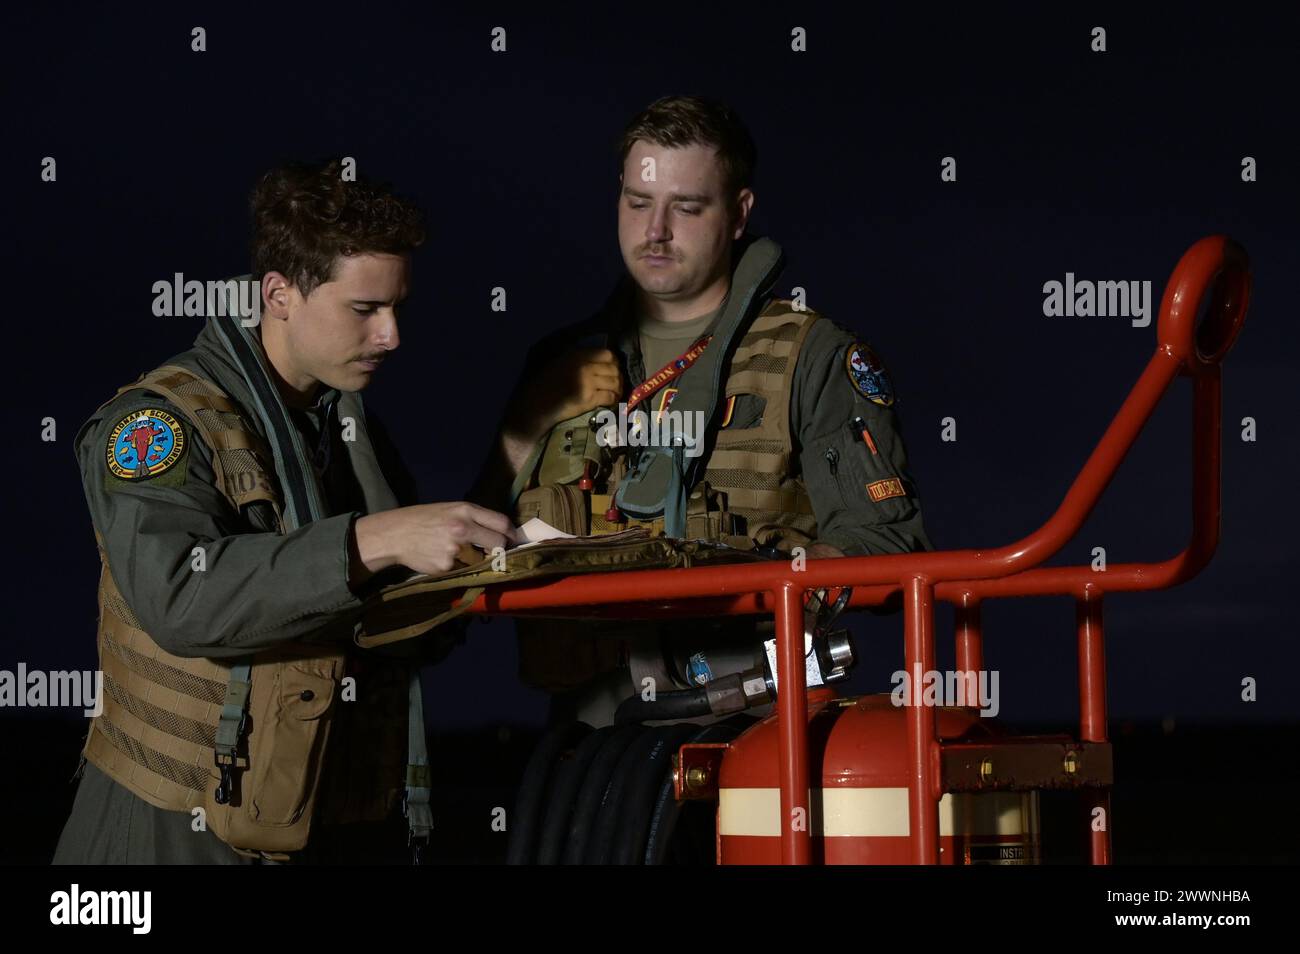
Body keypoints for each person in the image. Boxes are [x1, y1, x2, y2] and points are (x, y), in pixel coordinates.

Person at [53, 159, 517, 864]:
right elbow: (179, 597)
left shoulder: (344, 430)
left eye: (398, 308)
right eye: (365, 309)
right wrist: (370, 539)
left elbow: (401, 619)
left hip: (300, 814)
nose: (393, 336)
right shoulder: (157, 423)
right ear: (280, 294)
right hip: (164, 829)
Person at [470, 95, 932, 723]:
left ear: (739, 213)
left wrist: (744, 579)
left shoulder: (813, 356)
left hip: (756, 730)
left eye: (686, 208)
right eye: (638, 203)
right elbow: (474, 554)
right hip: (588, 738)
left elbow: (890, 546)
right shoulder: (560, 362)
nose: (655, 230)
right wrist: (528, 421)